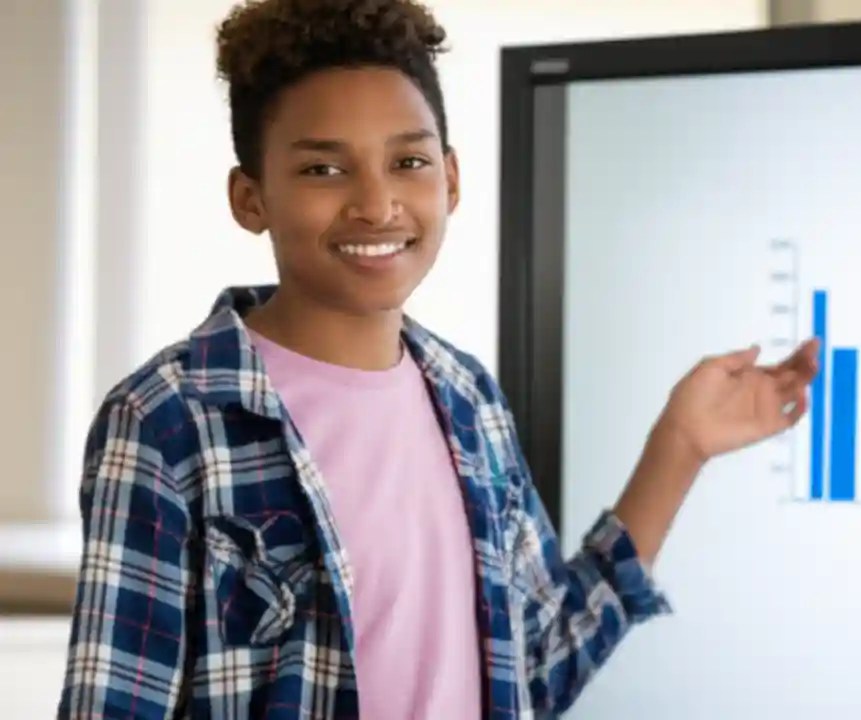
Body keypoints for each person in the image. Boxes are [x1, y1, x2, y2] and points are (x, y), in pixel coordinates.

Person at [57, 0, 818, 717]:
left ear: (450, 179)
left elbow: (536, 669)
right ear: (250, 198)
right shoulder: (167, 421)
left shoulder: (468, 398)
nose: (377, 204)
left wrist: (677, 448)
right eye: (324, 169)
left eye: (408, 163)